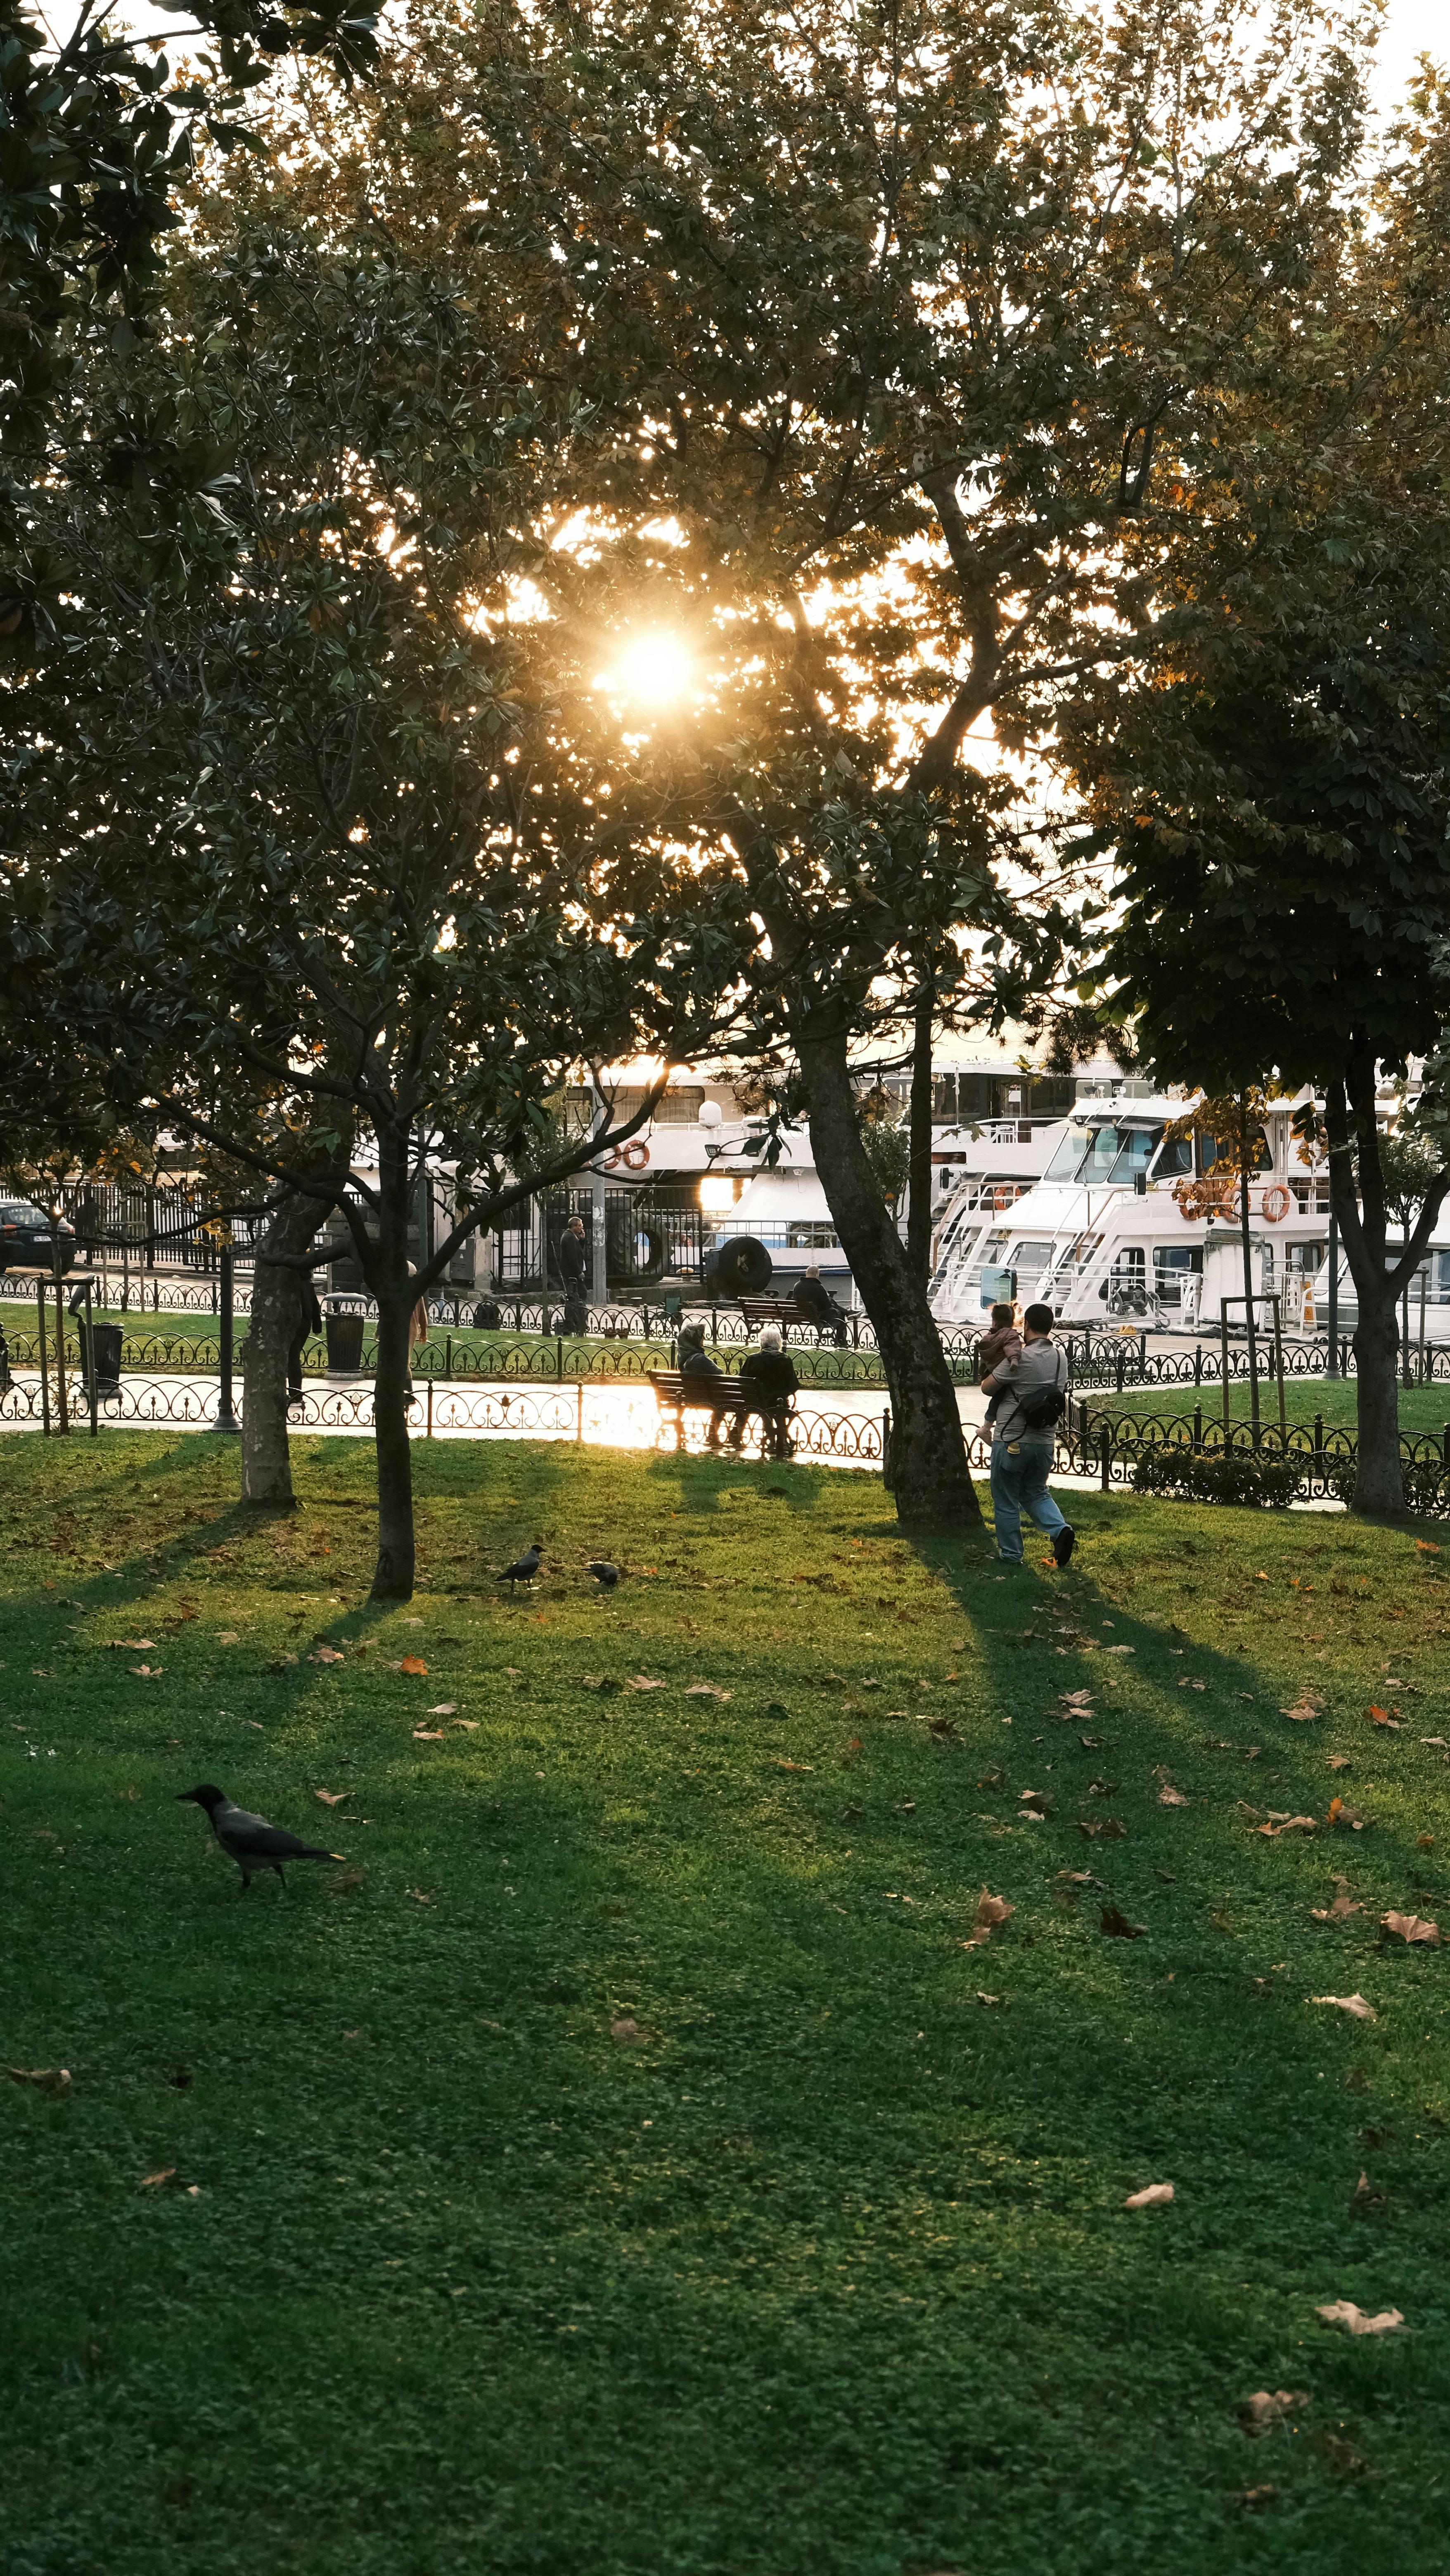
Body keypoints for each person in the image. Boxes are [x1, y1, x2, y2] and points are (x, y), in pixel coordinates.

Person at [982, 1300, 1074, 1567]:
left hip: (1012, 1440)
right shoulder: (1061, 1358)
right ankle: (1060, 1531)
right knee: (1036, 1491)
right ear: (1052, 1326)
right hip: (1044, 1440)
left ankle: (1011, 1555)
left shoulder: (1021, 1357)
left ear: (1027, 1325)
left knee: (1006, 1497)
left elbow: (988, 1388)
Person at [733, 1324, 798, 1458]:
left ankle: (737, 1436)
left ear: (762, 1342)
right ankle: (781, 1441)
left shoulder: (752, 1359)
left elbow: (743, 1382)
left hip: (754, 1402)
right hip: (778, 1403)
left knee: (758, 1404)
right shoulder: (785, 1359)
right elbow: (793, 1386)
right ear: (778, 1343)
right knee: (779, 1407)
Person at [678, 1318, 735, 1450]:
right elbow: (719, 1373)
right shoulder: (700, 1359)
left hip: (687, 1396)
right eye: (701, 1337)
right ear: (695, 1339)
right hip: (707, 1399)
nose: (703, 1340)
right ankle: (712, 1434)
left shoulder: (682, 1356)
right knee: (723, 1402)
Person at [976, 1301, 1023, 1432]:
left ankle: (986, 1427)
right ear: (1012, 1321)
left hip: (990, 1372)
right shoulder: (1010, 1334)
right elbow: (1012, 1348)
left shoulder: (989, 1337)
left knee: (997, 1398)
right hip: (1003, 1371)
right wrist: (1014, 1360)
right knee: (1001, 1398)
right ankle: (986, 1429)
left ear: (994, 1322)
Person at [287, 1270, 324, 1409]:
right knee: (293, 1358)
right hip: (305, 1325)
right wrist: (317, 1325)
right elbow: (315, 1305)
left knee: (292, 1359)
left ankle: (296, 1396)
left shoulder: (292, 1282)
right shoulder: (307, 1283)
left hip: (294, 1324)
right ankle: (295, 1394)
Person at [794, 1263, 848, 1345]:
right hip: (818, 1316)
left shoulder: (797, 1286)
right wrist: (830, 1302)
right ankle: (841, 1341)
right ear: (817, 1274)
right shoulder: (818, 1287)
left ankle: (847, 1312)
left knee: (831, 1302)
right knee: (840, 1314)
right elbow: (827, 1306)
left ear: (806, 1273)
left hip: (804, 1315)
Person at [557, 1213, 589, 1336]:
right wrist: (578, 1272)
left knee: (576, 1297)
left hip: (573, 1273)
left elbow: (578, 1251)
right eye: (580, 1226)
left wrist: (582, 1240)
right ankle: (573, 1324)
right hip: (572, 1274)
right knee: (577, 1296)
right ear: (574, 1226)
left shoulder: (572, 1237)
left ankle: (574, 1323)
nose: (582, 1228)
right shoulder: (569, 1237)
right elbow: (572, 1257)